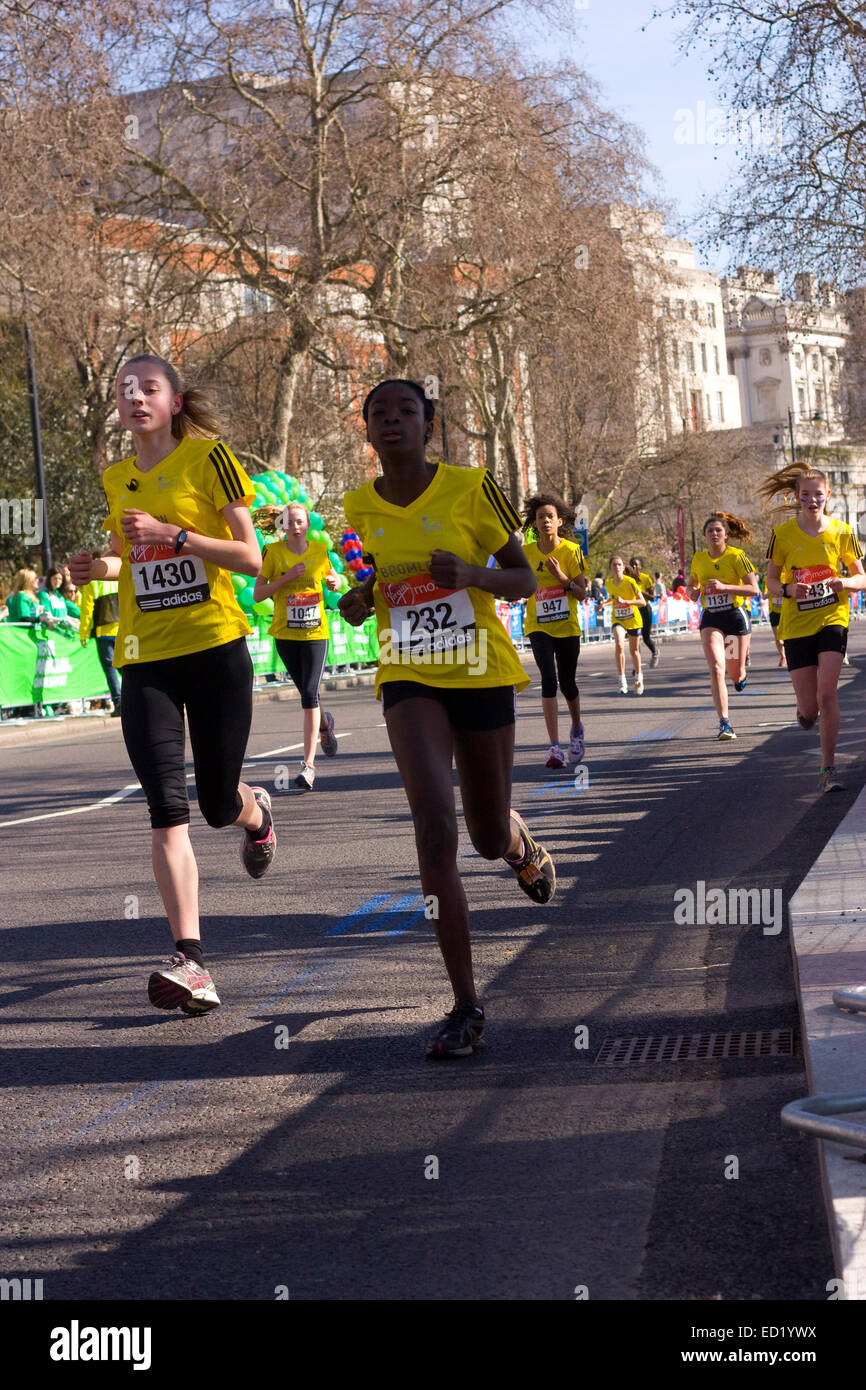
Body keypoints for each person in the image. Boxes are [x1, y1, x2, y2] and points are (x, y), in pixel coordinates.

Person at [339, 377, 556, 1060]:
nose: (392, 421)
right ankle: (465, 1004)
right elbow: (374, 584)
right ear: (367, 431)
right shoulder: (357, 505)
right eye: (379, 414)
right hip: (407, 671)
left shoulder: (472, 487)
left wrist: (471, 575)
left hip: (481, 671)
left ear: (428, 425)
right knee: (435, 829)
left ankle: (518, 845)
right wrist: (361, 597)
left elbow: (523, 578)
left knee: (485, 836)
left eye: (405, 411)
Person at [67, 352, 277, 1016]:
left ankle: (257, 812)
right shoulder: (118, 477)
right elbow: (131, 559)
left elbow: (250, 557)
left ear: (175, 401)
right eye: (125, 390)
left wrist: (175, 532)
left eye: (148, 388)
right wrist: (94, 566)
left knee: (216, 803)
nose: (134, 398)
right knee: (166, 808)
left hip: (215, 649)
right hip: (145, 659)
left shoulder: (209, 460)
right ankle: (192, 962)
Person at [762, 463, 865, 792]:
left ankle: (828, 769)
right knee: (809, 708)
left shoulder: (843, 532)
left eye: (817, 495)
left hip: (832, 618)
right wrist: (788, 590)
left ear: (828, 496)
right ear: (796, 497)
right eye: (805, 495)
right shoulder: (783, 535)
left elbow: (862, 577)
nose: (811, 501)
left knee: (827, 694)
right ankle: (803, 711)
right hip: (796, 626)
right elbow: (770, 579)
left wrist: (844, 581)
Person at [253, 501, 341, 788]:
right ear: (282, 526)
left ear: (307, 524)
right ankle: (325, 725)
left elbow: (333, 579)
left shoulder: (319, 550)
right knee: (307, 691)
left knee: (308, 694)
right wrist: (287, 578)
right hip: (285, 633)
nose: (295, 527)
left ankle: (308, 766)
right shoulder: (273, 553)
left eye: (300, 521)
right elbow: (257, 594)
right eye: (290, 522)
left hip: (316, 633)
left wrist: (334, 583)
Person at [521, 492, 587, 769]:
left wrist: (562, 579)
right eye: (540, 517)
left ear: (559, 522)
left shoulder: (571, 551)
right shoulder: (525, 553)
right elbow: (520, 585)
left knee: (567, 683)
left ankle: (576, 727)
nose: (545, 521)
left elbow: (582, 593)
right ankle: (554, 747)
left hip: (567, 626)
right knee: (548, 680)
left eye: (550, 517)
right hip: (538, 626)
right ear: (534, 523)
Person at [687, 512, 759, 741]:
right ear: (705, 536)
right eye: (710, 531)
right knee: (717, 668)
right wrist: (692, 592)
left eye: (718, 530)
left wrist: (724, 587)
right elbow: (691, 586)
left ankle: (741, 672)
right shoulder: (698, 559)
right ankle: (724, 723)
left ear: (726, 535)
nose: (714, 534)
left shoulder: (737, 556)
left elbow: (754, 589)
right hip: (712, 619)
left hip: (735, 618)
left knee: (735, 674)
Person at [78, 563, 122, 715]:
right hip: (123, 630)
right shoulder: (119, 575)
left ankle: (119, 702)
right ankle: (137, 700)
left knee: (110, 669)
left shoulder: (92, 582)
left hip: (103, 633)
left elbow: (87, 610)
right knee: (128, 668)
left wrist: (83, 633)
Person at [604, 555, 646, 693]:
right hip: (619, 619)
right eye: (614, 565)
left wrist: (627, 602)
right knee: (619, 644)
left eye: (619, 564)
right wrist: (603, 604)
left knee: (634, 651)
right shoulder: (608, 584)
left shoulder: (630, 582)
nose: (617, 567)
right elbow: (614, 599)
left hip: (633, 619)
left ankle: (639, 678)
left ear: (623, 567)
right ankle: (622, 681)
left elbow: (642, 602)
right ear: (610, 568)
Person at [627, 556, 659, 667]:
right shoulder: (627, 579)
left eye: (636, 564)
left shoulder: (646, 578)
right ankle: (637, 665)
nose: (634, 566)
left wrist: (639, 592)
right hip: (633, 610)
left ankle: (655, 652)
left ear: (640, 566)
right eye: (632, 564)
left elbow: (652, 597)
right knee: (635, 638)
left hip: (645, 609)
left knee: (646, 638)